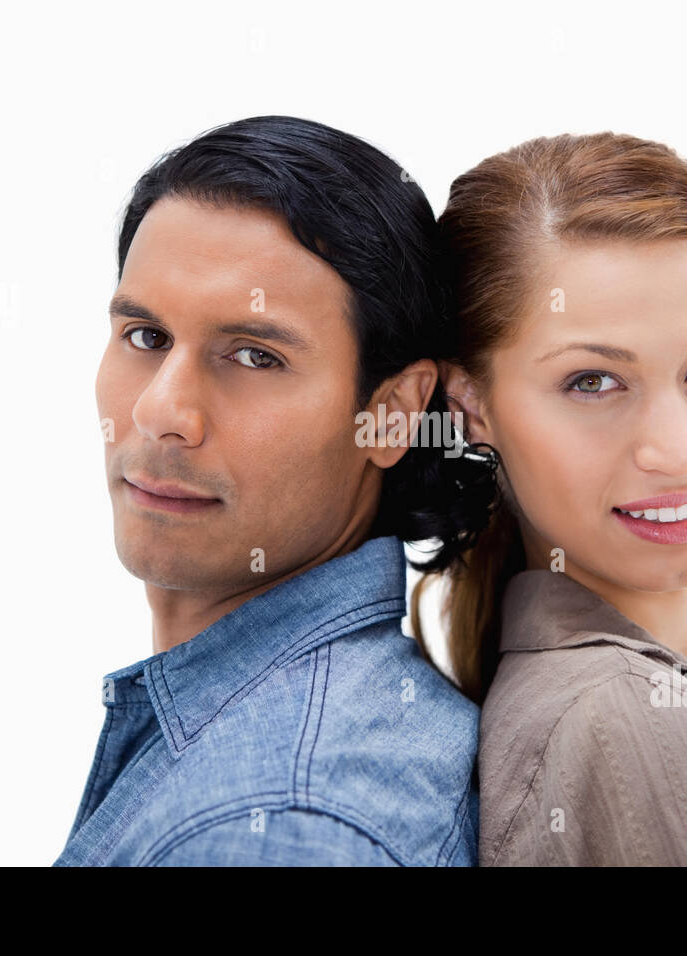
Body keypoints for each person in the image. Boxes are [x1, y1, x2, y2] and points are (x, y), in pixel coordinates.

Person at [54, 116, 480, 866]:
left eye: (253, 355)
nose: (161, 413)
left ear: (391, 414)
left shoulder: (283, 826)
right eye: (146, 337)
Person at [410, 132, 687, 866]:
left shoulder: (644, 700)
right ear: (471, 408)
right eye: (592, 382)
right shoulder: (633, 720)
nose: (678, 449)